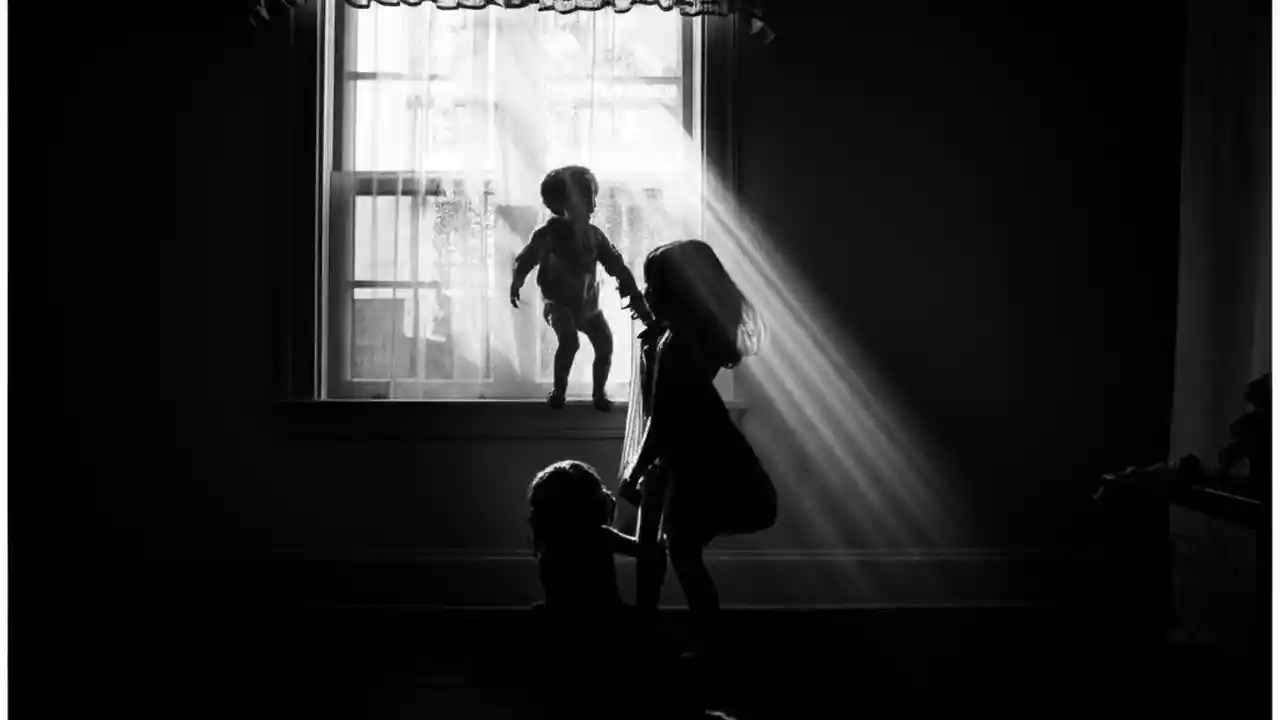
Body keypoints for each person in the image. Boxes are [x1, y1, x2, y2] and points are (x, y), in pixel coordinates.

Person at [617, 239, 775, 662]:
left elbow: (662, 416)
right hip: (707, 448)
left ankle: (698, 641)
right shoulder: (692, 338)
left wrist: (634, 471)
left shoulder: (674, 345)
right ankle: (704, 639)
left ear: (678, 291)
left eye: (654, 285)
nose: (647, 294)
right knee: (680, 549)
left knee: (675, 549)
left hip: (691, 457)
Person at [510, 166, 649, 411]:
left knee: (605, 345)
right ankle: (559, 392)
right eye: (586, 199)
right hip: (559, 305)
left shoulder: (595, 236)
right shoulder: (549, 234)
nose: (592, 205)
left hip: (589, 306)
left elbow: (617, 266)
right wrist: (518, 279)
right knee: (569, 341)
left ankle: (598, 394)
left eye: (592, 198)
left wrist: (635, 296)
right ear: (562, 203)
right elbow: (528, 257)